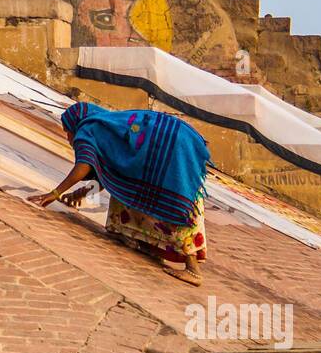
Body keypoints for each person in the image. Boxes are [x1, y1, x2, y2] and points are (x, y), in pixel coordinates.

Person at [30, 101, 212, 285]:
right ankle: (142, 241)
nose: (69, 138)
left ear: (74, 124)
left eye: (67, 131)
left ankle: (193, 269)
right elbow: (114, 168)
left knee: (177, 205)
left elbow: (83, 166)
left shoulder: (88, 129)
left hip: (174, 149)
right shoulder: (110, 124)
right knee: (127, 186)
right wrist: (82, 193)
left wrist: (55, 193)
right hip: (179, 141)